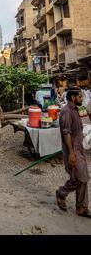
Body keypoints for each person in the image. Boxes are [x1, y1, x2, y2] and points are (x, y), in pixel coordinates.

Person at [56, 89, 91, 218]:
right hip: (72, 151)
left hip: (79, 149)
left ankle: (81, 207)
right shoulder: (66, 112)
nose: (82, 98)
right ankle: (62, 192)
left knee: (83, 178)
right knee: (80, 177)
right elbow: (67, 133)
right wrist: (71, 153)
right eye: (80, 96)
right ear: (72, 97)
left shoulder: (76, 109)